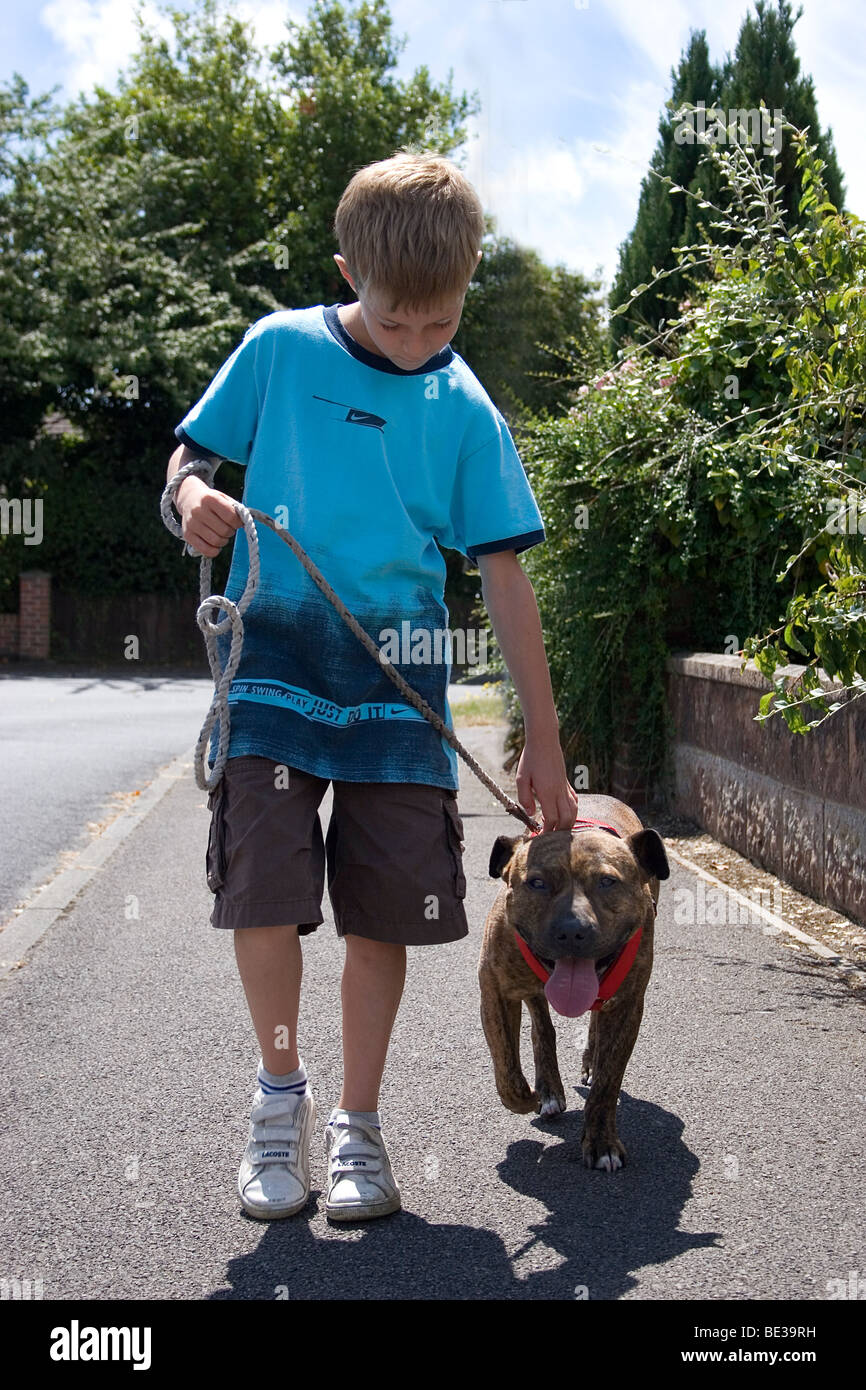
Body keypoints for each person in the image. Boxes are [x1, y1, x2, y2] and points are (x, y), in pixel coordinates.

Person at [164, 151, 579, 1223]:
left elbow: (502, 573)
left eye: (438, 326)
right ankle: (277, 1100)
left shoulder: (462, 399)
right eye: (395, 322)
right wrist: (193, 498)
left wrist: (544, 740)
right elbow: (185, 466)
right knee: (263, 887)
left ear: (464, 289)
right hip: (275, 661)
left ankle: (357, 1125)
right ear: (348, 272)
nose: (414, 346)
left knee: (382, 910)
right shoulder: (277, 349)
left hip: (404, 678)